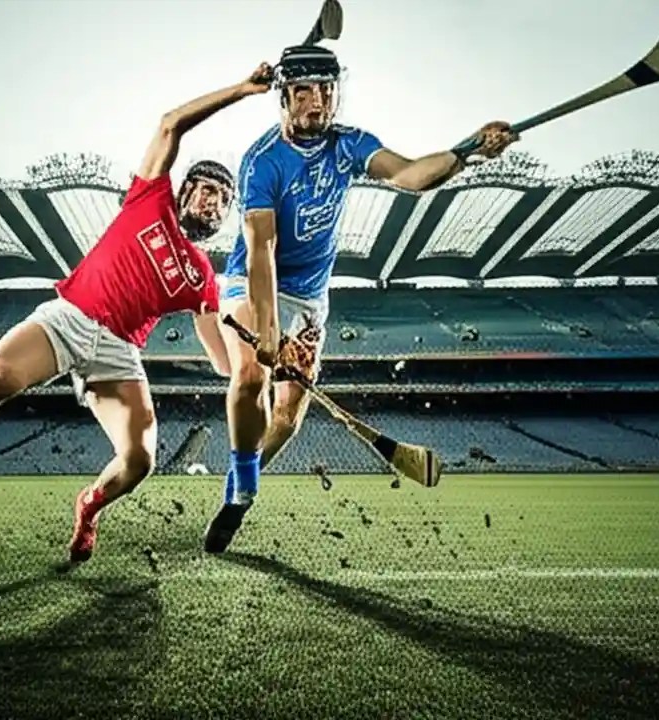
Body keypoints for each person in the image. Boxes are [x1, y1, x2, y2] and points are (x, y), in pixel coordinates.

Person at [0, 63, 276, 563]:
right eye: (208, 191)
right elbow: (171, 122)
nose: (215, 205)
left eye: (224, 201)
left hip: (119, 352)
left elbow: (222, 363)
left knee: (139, 461)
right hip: (72, 317)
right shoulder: (148, 199)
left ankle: (88, 507)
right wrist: (243, 89)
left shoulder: (201, 279)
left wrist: (262, 357)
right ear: (185, 191)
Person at [204, 44, 520, 553]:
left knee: (287, 416)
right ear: (283, 96)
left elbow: (410, 174)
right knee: (249, 376)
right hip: (254, 281)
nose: (317, 103)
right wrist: (266, 328)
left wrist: (469, 151)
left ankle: (236, 495)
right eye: (304, 91)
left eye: (326, 91)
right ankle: (245, 484)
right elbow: (263, 247)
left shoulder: (349, 145)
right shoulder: (261, 162)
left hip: (309, 298)